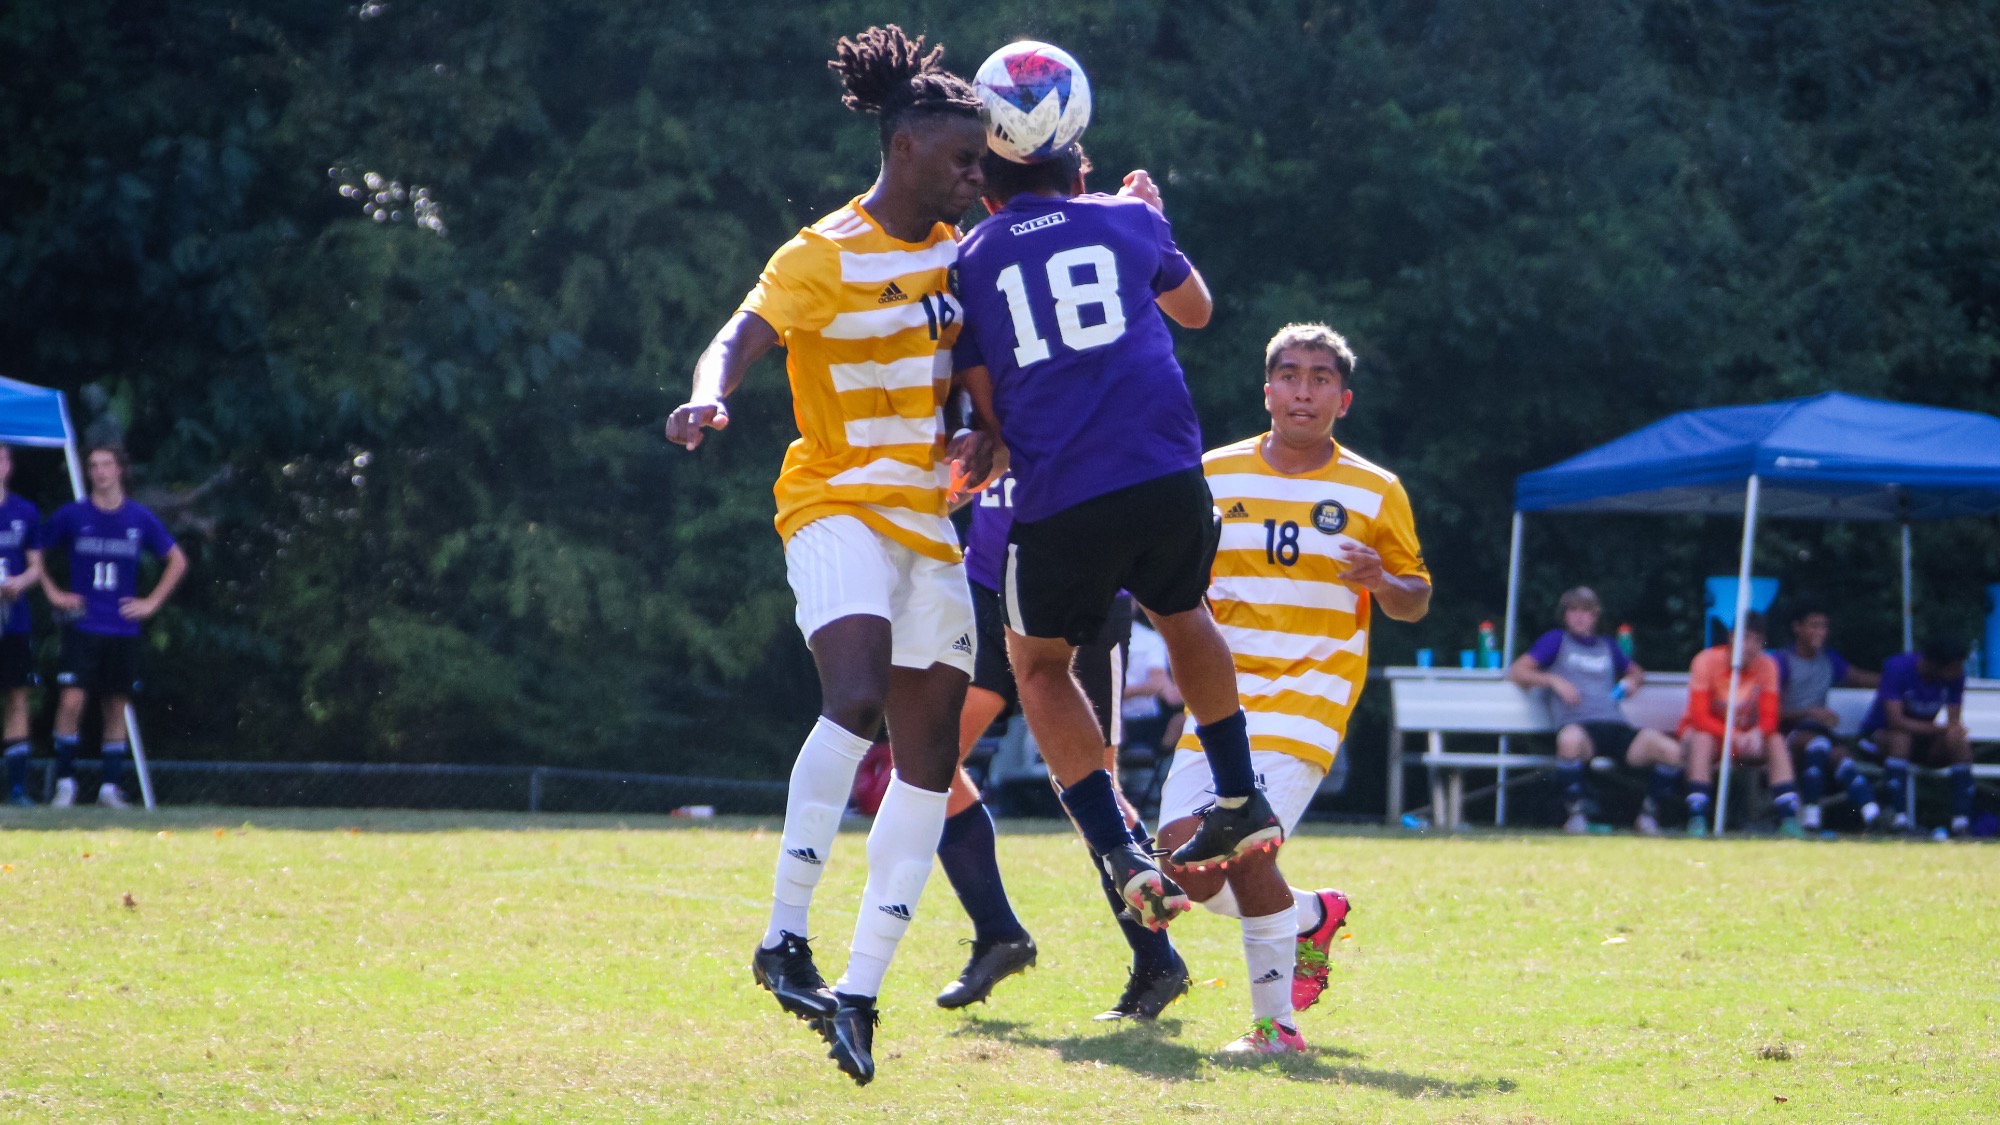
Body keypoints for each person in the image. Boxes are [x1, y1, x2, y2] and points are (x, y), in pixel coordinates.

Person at [661, 25, 990, 1086]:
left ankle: (857, 989)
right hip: (834, 502)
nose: (972, 176)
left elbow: (981, 372)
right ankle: (782, 936)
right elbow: (741, 332)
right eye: (959, 160)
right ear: (901, 151)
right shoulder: (820, 253)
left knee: (930, 761)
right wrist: (712, 394)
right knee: (853, 699)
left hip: (926, 521)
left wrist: (987, 431)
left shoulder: (961, 244)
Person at [953, 129, 1280, 941]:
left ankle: (1118, 851)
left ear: (987, 185)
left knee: (1036, 666)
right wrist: (1153, 218)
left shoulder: (971, 255)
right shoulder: (1126, 217)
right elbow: (1197, 310)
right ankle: (1240, 794)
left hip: (1064, 492)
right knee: (1183, 611)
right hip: (1168, 470)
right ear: (1077, 167)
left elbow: (987, 405)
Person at [1151, 324, 1425, 1053]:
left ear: (1345, 397)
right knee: (1187, 871)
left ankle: (1275, 1028)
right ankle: (1311, 916)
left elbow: (1416, 596)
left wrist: (1383, 580)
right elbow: (1175, 581)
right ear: (1266, 389)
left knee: (1245, 846)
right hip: (1220, 698)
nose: (1305, 390)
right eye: (1292, 375)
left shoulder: (1375, 489)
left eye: (1322, 378)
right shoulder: (1210, 472)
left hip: (1310, 697)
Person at [932, 470, 1193, 1021]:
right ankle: (997, 932)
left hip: (1084, 589)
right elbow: (953, 474)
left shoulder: (1094, 385)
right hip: (988, 585)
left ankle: (1157, 961)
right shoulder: (970, 385)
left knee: (1089, 789)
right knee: (929, 767)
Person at [39, 444, 186, 809]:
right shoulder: (73, 515)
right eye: (93, 465)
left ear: (120, 470)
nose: (100, 472)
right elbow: (34, 551)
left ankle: (109, 787)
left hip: (121, 628)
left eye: (106, 464)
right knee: (71, 701)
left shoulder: (138, 518)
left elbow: (177, 560)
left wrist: (151, 602)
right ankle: (66, 783)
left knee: (115, 706)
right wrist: (54, 592)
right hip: (83, 625)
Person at [1506, 588, 1684, 835]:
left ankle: (1648, 816)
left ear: (1595, 616)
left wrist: (1633, 681)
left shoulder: (1608, 645)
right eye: (1573, 610)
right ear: (1565, 615)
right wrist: (1553, 680)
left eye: (1586, 611)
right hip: (1580, 726)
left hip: (1615, 725)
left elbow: (1637, 672)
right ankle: (1576, 815)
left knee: (1671, 751)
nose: (1580, 617)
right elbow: (1517, 671)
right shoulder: (1556, 640)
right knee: (1568, 741)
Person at [1678, 612, 1801, 837]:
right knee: (1701, 739)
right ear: (1731, 637)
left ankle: (1789, 817)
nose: (1750, 646)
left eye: (1756, 640)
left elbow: (1770, 716)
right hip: (1710, 736)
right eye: (1745, 638)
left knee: (1775, 741)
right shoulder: (1706, 661)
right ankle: (1697, 816)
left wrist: (1758, 732)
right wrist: (1732, 734)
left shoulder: (1767, 666)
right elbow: (1699, 717)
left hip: (1746, 739)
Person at [1773, 605, 1882, 832]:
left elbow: (1858, 677)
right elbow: (1771, 712)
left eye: (1824, 626)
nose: (1820, 632)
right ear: (1797, 628)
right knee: (1818, 745)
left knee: (1842, 756)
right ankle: (1811, 818)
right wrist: (1809, 712)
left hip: (1817, 731)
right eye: (1814, 625)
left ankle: (1873, 815)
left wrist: (1895, 678)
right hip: (1787, 735)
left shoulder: (1829, 659)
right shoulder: (1781, 662)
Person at [1860, 638, 1974, 836]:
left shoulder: (1955, 675)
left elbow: (1953, 720)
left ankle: (1961, 824)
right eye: (1953, 667)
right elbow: (1895, 721)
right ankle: (1899, 820)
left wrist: (1953, 731)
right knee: (1901, 739)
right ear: (1935, 664)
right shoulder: (1898, 668)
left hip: (1923, 742)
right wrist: (1941, 729)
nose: (1958, 672)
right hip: (1882, 739)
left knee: (1959, 745)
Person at [0, 446, 44, 806]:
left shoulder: (25, 511)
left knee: (17, 696)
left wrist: (20, 582)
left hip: (13, 621)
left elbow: (36, 567)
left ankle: (17, 787)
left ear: (9, 465)